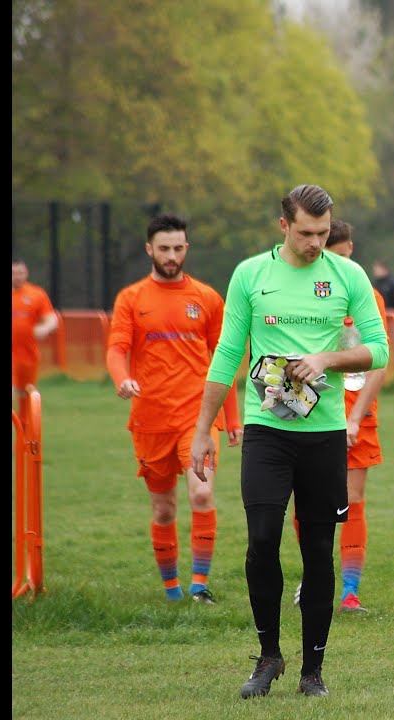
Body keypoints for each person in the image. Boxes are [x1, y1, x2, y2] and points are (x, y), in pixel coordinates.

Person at [190, 184, 389, 699]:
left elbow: (379, 348)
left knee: (319, 549)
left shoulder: (348, 275)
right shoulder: (251, 274)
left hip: (323, 434)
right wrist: (203, 430)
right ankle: (269, 656)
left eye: (323, 233)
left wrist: (324, 359)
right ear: (284, 226)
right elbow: (227, 354)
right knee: (261, 540)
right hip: (266, 429)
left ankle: (313, 671)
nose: (315, 243)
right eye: (306, 233)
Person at [106, 214, 243, 604]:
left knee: (201, 494)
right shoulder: (131, 299)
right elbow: (117, 349)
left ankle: (200, 586)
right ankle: (172, 592)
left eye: (178, 248)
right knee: (164, 508)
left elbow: (225, 359)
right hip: (150, 419)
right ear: (149, 249)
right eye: (163, 248)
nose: (171, 255)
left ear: (187, 249)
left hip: (197, 418)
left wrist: (231, 417)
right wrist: (122, 379)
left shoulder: (207, 298)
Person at [290, 219, 389, 614]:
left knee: (353, 500)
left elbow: (379, 360)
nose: (343, 266)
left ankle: (349, 590)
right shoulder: (301, 294)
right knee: (309, 503)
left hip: (357, 413)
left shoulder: (366, 295)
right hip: (311, 412)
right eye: (336, 256)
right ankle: (313, 577)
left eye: (348, 256)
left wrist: (356, 418)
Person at [11, 257, 59, 406]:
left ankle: (25, 428)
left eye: (21, 272)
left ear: (26, 273)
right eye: (14, 273)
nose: (18, 276)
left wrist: (45, 328)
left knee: (26, 395)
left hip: (28, 354)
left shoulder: (37, 294)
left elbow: (52, 319)